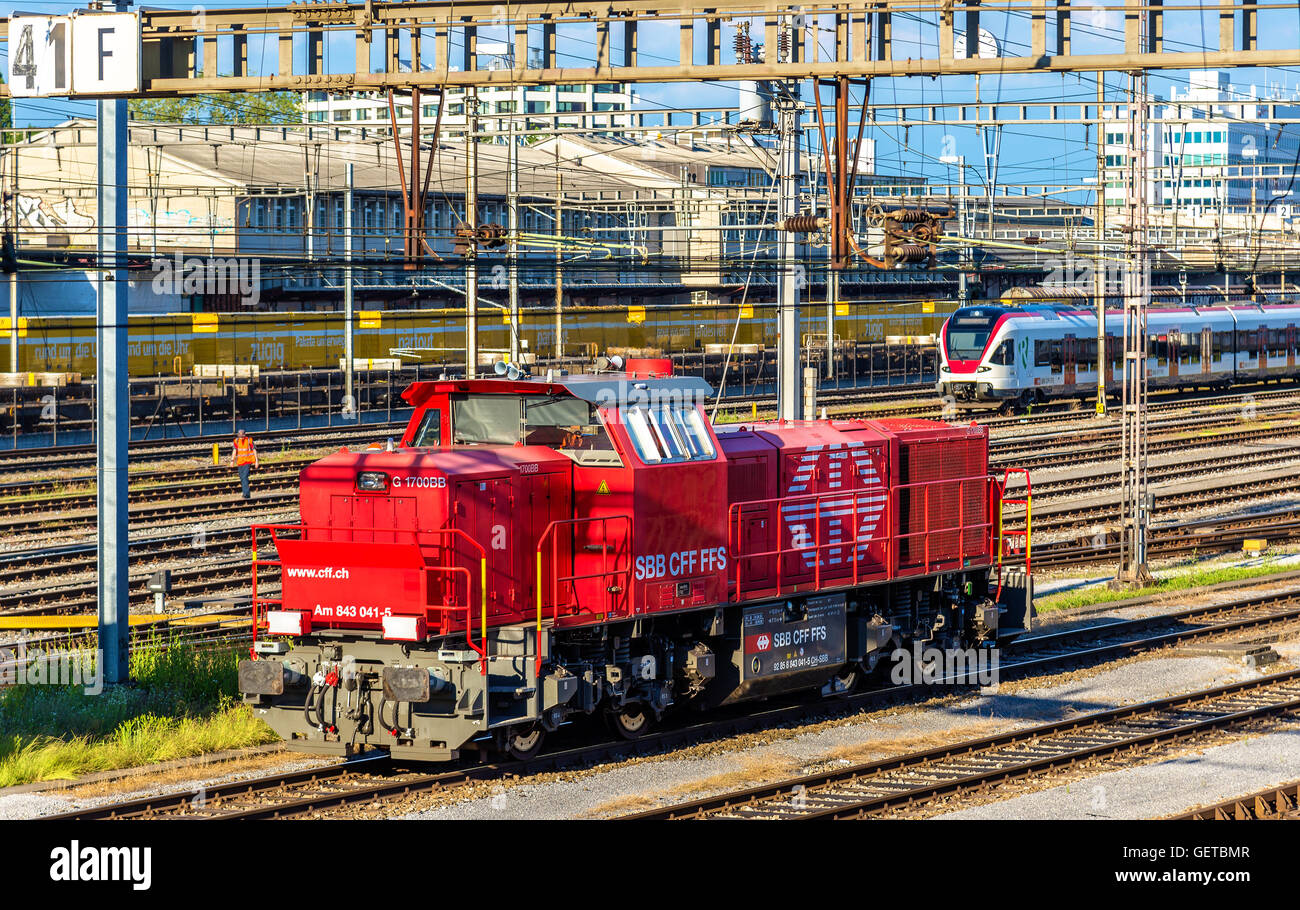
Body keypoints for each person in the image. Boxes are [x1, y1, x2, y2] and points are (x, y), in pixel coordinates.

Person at [231, 429, 259, 499]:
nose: (241, 437)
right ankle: (246, 493)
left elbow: (254, 450)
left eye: (242, 435)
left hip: (248, 461)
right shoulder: (236, 441)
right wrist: (232, 461)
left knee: (244, 477)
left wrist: (256, 461)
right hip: (240, 462)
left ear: (244, 435)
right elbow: (234, 451)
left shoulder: (249, 440)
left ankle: (246, 494)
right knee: (242, 478)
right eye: (240, 436)